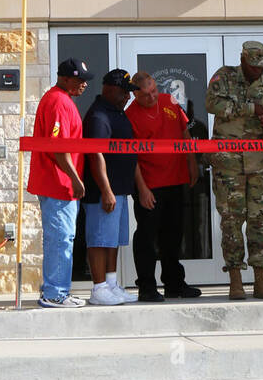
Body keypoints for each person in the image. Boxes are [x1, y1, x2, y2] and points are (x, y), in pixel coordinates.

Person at [205, 39, 263, 300]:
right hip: (229, 164)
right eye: (253, 65)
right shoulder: (223, 76)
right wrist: (251, 108)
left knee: (259, 220)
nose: (258, 71)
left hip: (257, 162)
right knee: (232, 221)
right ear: (243, 59)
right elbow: (212, 105)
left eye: (261, 67)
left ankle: (261, 279)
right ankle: (235, 279)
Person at [126, 72, 202, 302]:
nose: (152, 97)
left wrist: (192, 163)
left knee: (174, 236)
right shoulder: (130, 116)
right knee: (147, 238)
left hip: (176, 180)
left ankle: (174, 284)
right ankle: (147, 287)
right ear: (135, 94)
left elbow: (184, 133)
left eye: (153, 91)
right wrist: (142, 189)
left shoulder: (169, 101)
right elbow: (132, 158)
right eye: (146, 94)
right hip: (150, 185)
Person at [27, 56, 95, 308]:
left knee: (61, 237)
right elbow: (58, 148)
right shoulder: (58, 101)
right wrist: (76, 179)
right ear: (64, 78)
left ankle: (56, 290)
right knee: (61, 238)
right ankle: (54, 293)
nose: (84, 84)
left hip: (58, 183)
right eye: (79, 79)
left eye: (86, 80)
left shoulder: (61, 99)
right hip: (57, 183)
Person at [82, 69, 139, 306]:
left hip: (119, 189)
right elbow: (96, 154)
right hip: (102, 193)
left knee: (112, 240)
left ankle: (111, 283)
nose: (128, 97)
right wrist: (106, 190)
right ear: (110, 89)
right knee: (99, 240)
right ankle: (98, 288)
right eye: (124, 92)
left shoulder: (116, 112)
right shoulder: (99, 115)